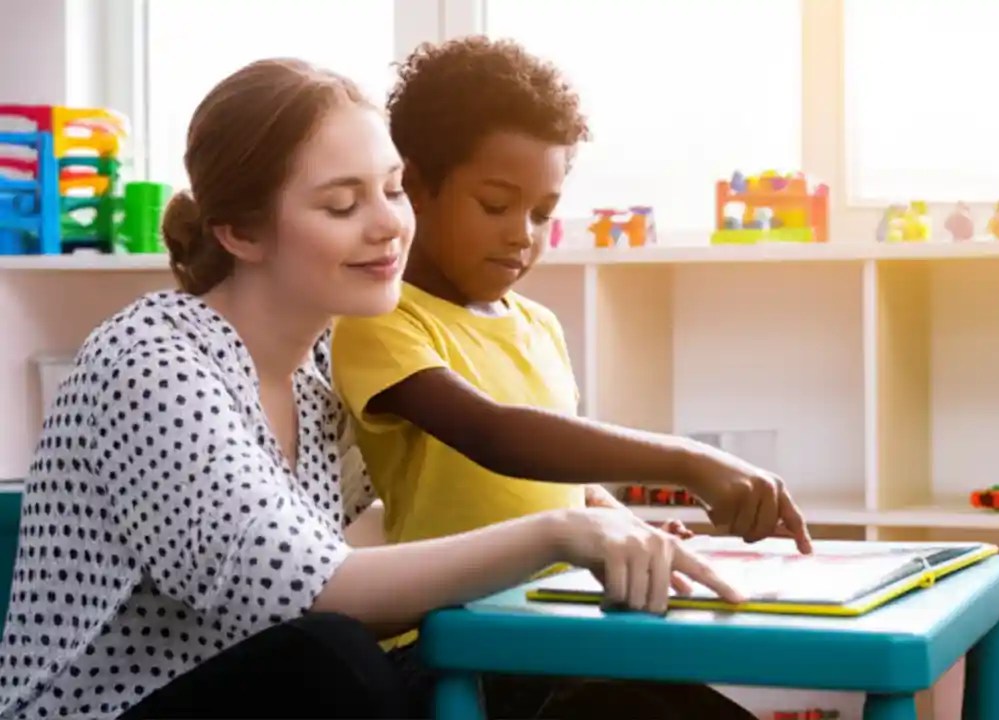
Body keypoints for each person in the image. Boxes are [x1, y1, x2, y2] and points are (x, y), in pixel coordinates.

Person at [0, 58, 745, 720]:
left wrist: (590, 512)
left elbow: (396, 527)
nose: (390, 225)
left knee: (595, 689)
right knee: (332, 655)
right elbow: (316, 587)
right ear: (239, 232)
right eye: (341, 204)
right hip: (130, 705)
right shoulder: (152, 363)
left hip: (271, 690)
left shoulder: (322, 366)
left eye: (392, 191)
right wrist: (560, 534)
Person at [330, 37, 812, 718]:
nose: (522, 234)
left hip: (560, 631)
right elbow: (496, 437)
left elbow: (559, 483)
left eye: (542, 212)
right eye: (496, 205)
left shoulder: (537, 325)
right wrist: (690, 460)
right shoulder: (382, 321)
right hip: (455, 653)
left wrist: (630, 528)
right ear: (413, 187)